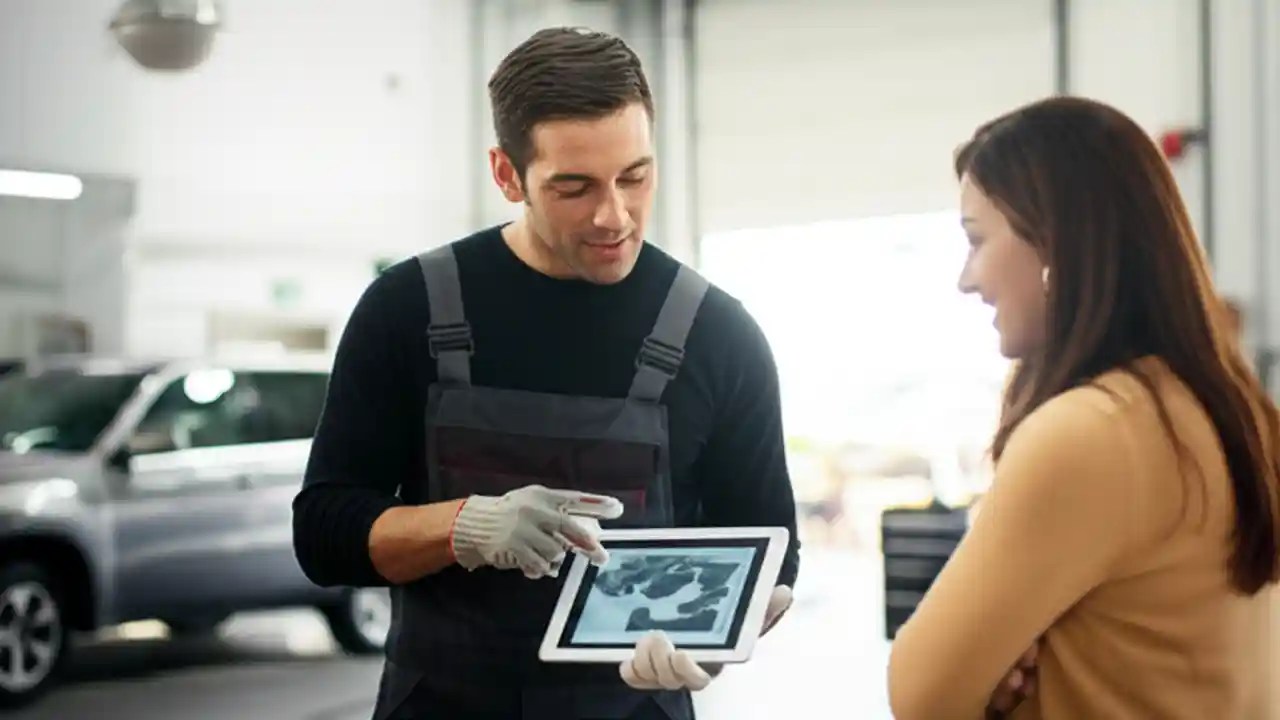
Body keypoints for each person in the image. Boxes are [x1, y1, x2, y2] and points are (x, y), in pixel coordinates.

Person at [291, 26, 800, 720]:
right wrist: (464, 527)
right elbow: (323, 532)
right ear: (507, 174)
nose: (614, 215)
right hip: (440, 704)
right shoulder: (407, 308)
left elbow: (772, 549)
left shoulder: (718, 334)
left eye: (635, 176)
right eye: (574, 187)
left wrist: (711, 636)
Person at [887, 95, 1280, 719]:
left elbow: (920, 696)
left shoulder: (1089, 431)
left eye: (977, 239)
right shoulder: (1228, 407)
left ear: (1054, 245)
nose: (967, 278)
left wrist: (1002, 668)